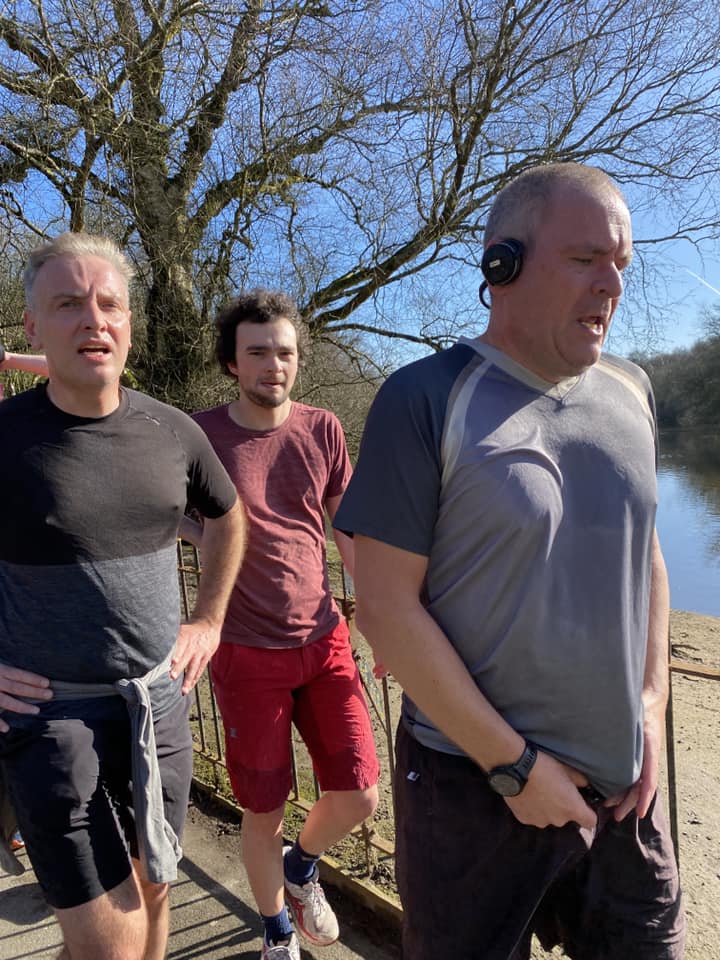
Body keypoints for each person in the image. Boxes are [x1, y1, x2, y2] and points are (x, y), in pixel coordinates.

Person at [335, 163, 685, 959]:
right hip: (470, 790)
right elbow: (386, 607)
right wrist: (515, 768)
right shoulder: (426, 398)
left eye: (621, 264)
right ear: (503, 264)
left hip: (626, 790)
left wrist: (651, 704)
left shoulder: (633, 391)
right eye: (585, 259)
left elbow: (647, 552)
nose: (611, 285)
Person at [0, 233, 246, 960]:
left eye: (109, 304)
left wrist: (209, 620)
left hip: (157, 704)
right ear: (32, 327)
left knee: (156, 887)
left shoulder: (171, 431)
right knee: (114, 942)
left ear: (129, 324)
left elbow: (229, 517)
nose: (93, 320)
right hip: (50, 716)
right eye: (68, 304)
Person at [181, 290, 379, 960]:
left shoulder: (323, 428)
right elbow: (156, 503)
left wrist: (379, 613)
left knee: (360, 793)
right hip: (244, 651)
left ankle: (303, 864)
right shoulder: (199, 435)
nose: (274, 365)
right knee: (263, 808)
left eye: (285, 352)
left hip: (324, 641)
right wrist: (204, 536)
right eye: (258, 352)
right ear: (231, 363)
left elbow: (348, 526)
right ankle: (275, 928)